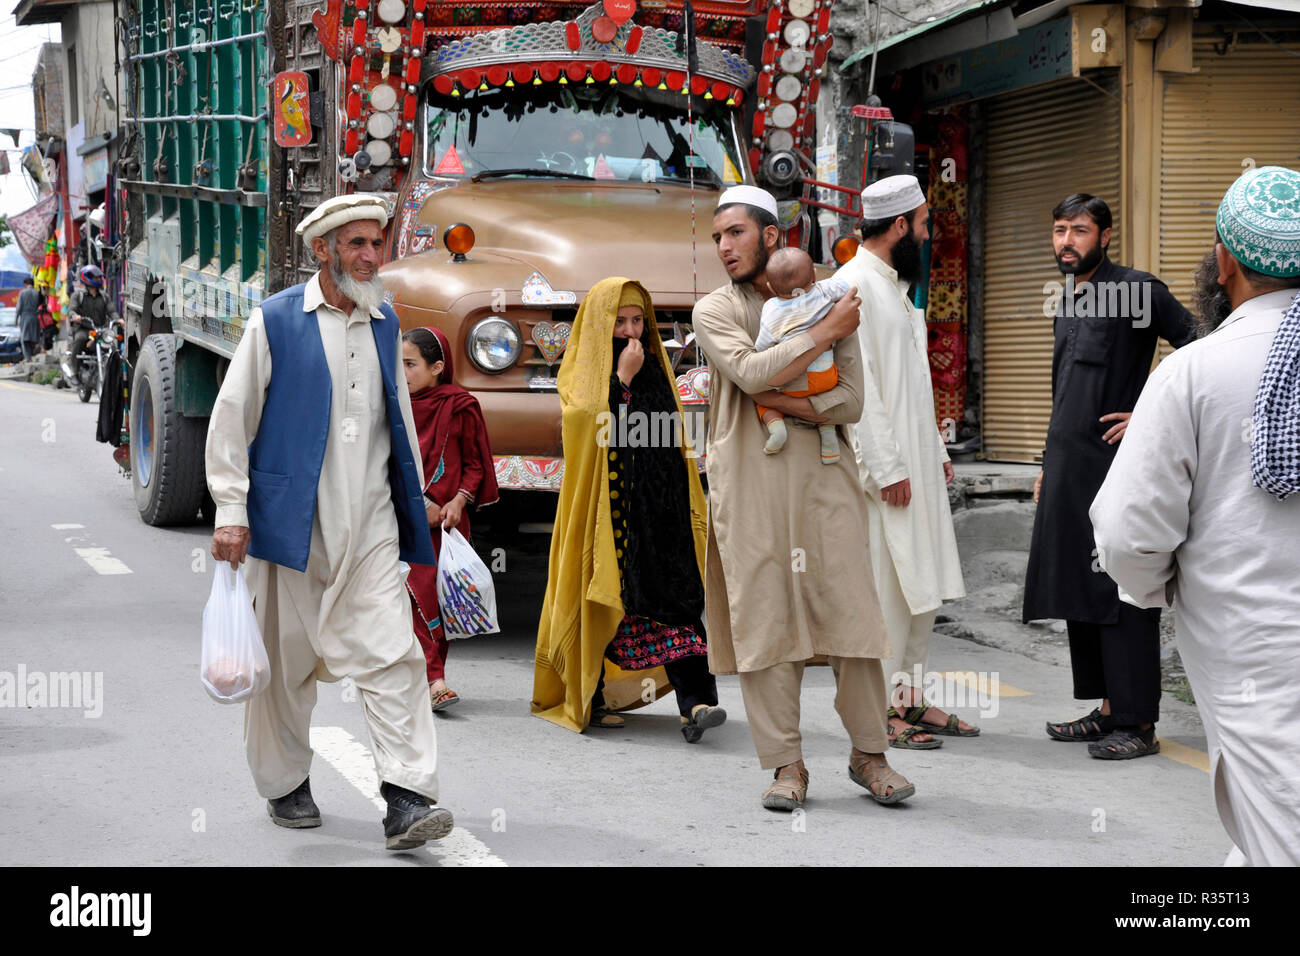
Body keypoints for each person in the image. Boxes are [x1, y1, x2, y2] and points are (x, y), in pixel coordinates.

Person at [205, 193, 454, 851]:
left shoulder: (384, 323)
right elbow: (232, 422)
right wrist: (231, 511)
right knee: (284, 669)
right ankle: (285, 783)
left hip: (368, 524)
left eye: (378, 243)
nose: (372, 256)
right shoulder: (276, 322)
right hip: (292, 524)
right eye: (356, 245)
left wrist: (415, 496)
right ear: (323, 251)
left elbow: (396, 417)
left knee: (394, 653)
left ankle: (407, 796)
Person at [1091, 165, 1300, 865]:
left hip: (1252, 646)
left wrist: (1157, 588)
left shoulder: (1192, 373)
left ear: (1225, 262)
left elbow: (1128, 533)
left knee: (1279, 821)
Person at [692, 184, 914, 810]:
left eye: (734, 233)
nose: (723, 247)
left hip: (826, 482)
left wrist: (783, 403)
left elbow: (850, 401)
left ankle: (870, 756)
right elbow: (751, 372)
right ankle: (787, 767)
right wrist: (823, 337)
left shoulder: (827, 297)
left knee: (853, 617)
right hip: (751, 486)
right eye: (716, 237)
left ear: (769, 235)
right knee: (766, 625)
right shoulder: (715, 310)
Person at [1023, 193, 1196, 761]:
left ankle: (1138, 722)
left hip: (1118, 468)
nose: (1066, 241)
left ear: (1105, 235)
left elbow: (1200, 350)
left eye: (1077, 230)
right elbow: (1063, 393)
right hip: (1069, 469)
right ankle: (1105, 709)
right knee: (1080, 586)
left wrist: (1147, 413)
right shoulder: (1068, 299)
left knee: (1122, 586)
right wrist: (1048, 467)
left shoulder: (1138, 292)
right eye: (1058, 231)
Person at [533, 277, 726, 743]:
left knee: (677, 602)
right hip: (610, 516)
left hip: (658, 517)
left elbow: (670, 441)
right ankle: (591, 698)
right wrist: (621, 381)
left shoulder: (656, 370)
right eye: (619, 321)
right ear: (601, 324)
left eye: (639, 320)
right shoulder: (586, 375)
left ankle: (695, 703)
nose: (632, 330)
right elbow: (591, 430)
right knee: (603, 602)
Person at [835, 174, 969, 750]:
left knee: (921, 588)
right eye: (921, 226)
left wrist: (935, 451)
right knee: (888, 593)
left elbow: (913, 384)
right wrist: (887, 468)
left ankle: (910, 701)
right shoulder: (853, 286)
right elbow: (857, 390)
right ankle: (879, 716)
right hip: (884, 471)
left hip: (916, 462)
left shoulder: (895, 284)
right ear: (898, 227)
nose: (926, 234)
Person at [400, 325, 500, 711]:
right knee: (414, 595)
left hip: (447, 524)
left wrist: (459, 501)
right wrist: (413, 506)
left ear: (437, 367)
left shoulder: (460, 406)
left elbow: (475, 465)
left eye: (411, 364)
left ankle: (430, 675)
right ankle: (433, 679)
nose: (403, 372)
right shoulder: (393, 406)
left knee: (442, 599)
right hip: (404, 521)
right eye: (399, 363)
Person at [754, 247, 849, 463]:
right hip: (826, 378)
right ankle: (828, 437)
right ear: (814, 275)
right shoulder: (823, 291)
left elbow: (763, 345)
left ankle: (776, 428)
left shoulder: (770, 309)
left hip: (793, 384)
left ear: (770, 286)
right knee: (824, 400)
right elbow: (846, 287)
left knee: (764, 402)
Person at [66, 265, 117, 360]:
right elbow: (71, 310)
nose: (98, 279)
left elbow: (112, 311)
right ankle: (74, 370)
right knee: (79, 339)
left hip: (101, 331)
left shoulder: (104, 296)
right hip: (83, 329)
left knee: (113, 346)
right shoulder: (78, 295)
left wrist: (118, 320)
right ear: (87, 278)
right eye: (95, 277)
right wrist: (75, 316)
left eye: (99, 277)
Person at [16, 277, 42, 361]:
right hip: (35, 317)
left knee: (24, 339)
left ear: (26, 284)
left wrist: (16, 319)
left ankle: (28, 358)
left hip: (25, 317)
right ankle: (34, 352)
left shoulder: (22, 293)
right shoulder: (37, 293)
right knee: (34, 337)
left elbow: (19, 307)